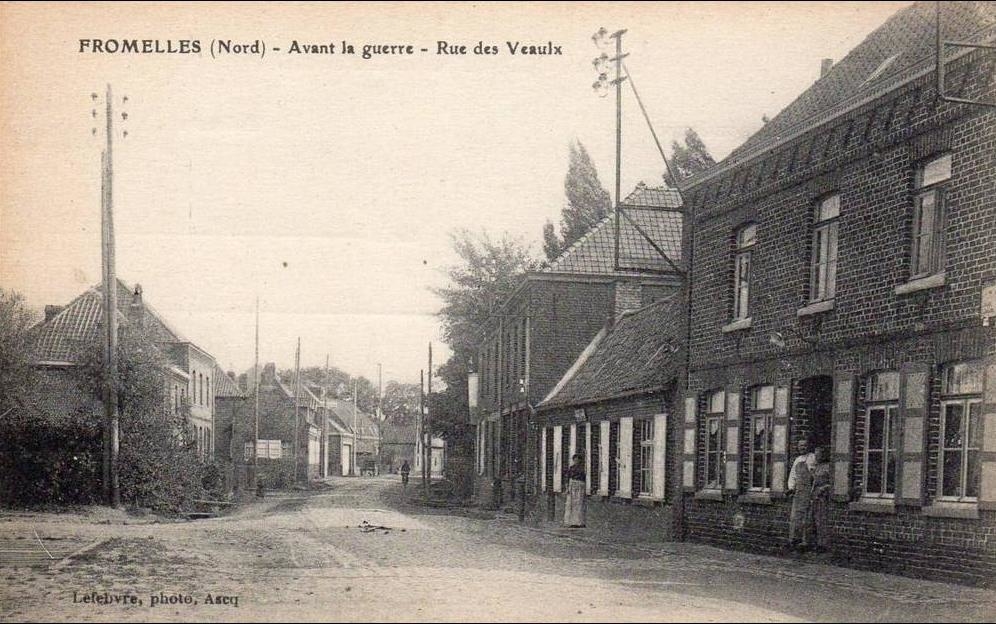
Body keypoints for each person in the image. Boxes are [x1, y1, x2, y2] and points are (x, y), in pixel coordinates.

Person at [787, 439, 816, 551]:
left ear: (808, 446)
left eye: (804, 445)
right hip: (798, 492)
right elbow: (793, 475)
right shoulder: (797, 460)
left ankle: (805, 541)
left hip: (808, 492)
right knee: (795, 517)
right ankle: (794, 539)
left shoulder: (813, 458)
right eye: (800, 446)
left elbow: (815, 476)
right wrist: (791, 488)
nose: (802, 448)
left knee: (806, 518)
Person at [810, 446, 832, 552]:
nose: (817, 456)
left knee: (821, 520)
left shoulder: (828, 467)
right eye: (816, 454)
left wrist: (823, 488)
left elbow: (832, 483)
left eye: (819, 454)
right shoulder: (816, 467)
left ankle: (822, 544)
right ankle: (815, 542)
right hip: (814, 495)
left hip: (823, 497)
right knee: (813, 520)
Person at [563, 453, 587, 528]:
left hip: (580, 487)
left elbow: (585, 478)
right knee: (571, 504)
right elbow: (567, 478)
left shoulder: (583, 469)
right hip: (572, 487)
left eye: (578, 460)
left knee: (579, 504)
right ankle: (571, 521)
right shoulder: (571, 468)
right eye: (575, 460)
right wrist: (567, 488)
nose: (576, 461)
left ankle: (579, 522)